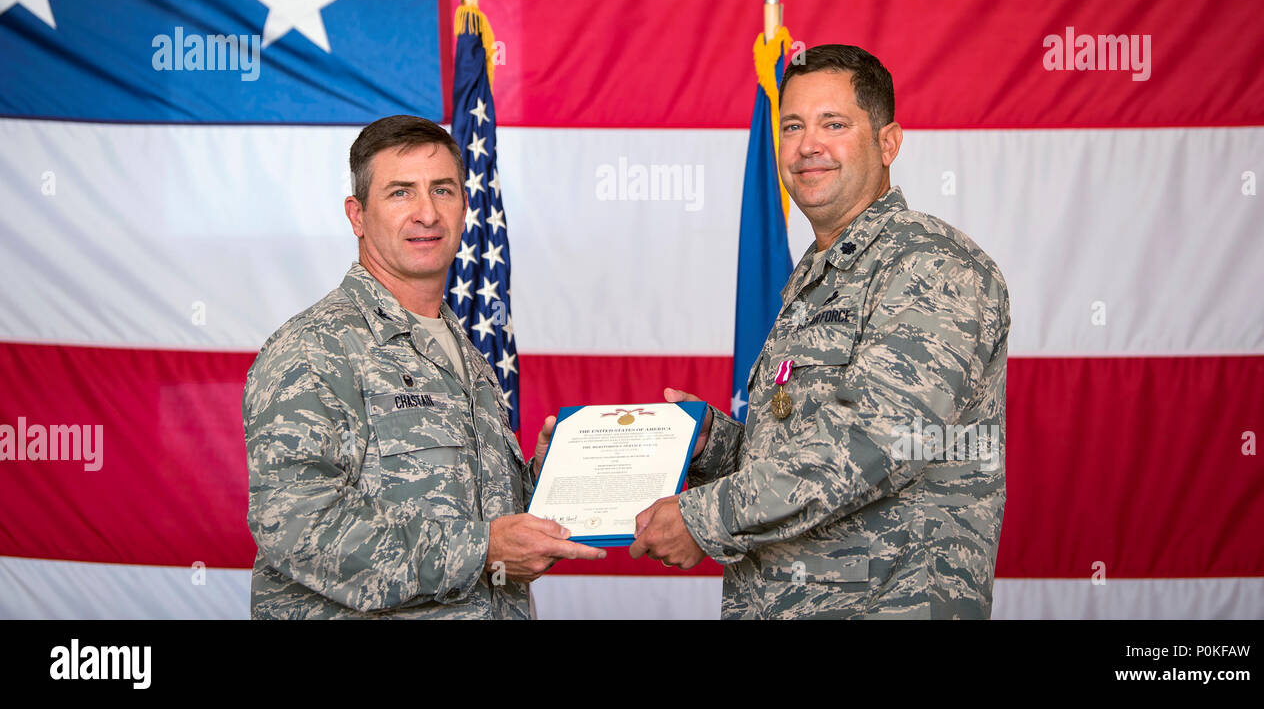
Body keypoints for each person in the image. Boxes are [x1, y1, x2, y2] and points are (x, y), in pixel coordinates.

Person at [629, 45, 1010, 619]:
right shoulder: (815, 276)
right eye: (793, 127)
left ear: (888, 143)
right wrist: (718, 444)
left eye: (834, 124)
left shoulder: (930, 266)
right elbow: (807, 437)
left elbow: (880, 442)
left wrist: (704, 518)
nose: (808, 145)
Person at [243, 115, 603, 618]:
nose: (427, 213)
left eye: (442, 190)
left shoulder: (466, 353)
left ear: (464, 206)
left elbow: (474, 511)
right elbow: (296, 528)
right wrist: (482, 552)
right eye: (400, 193)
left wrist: (546, 477)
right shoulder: (313, 348)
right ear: (357, 215)